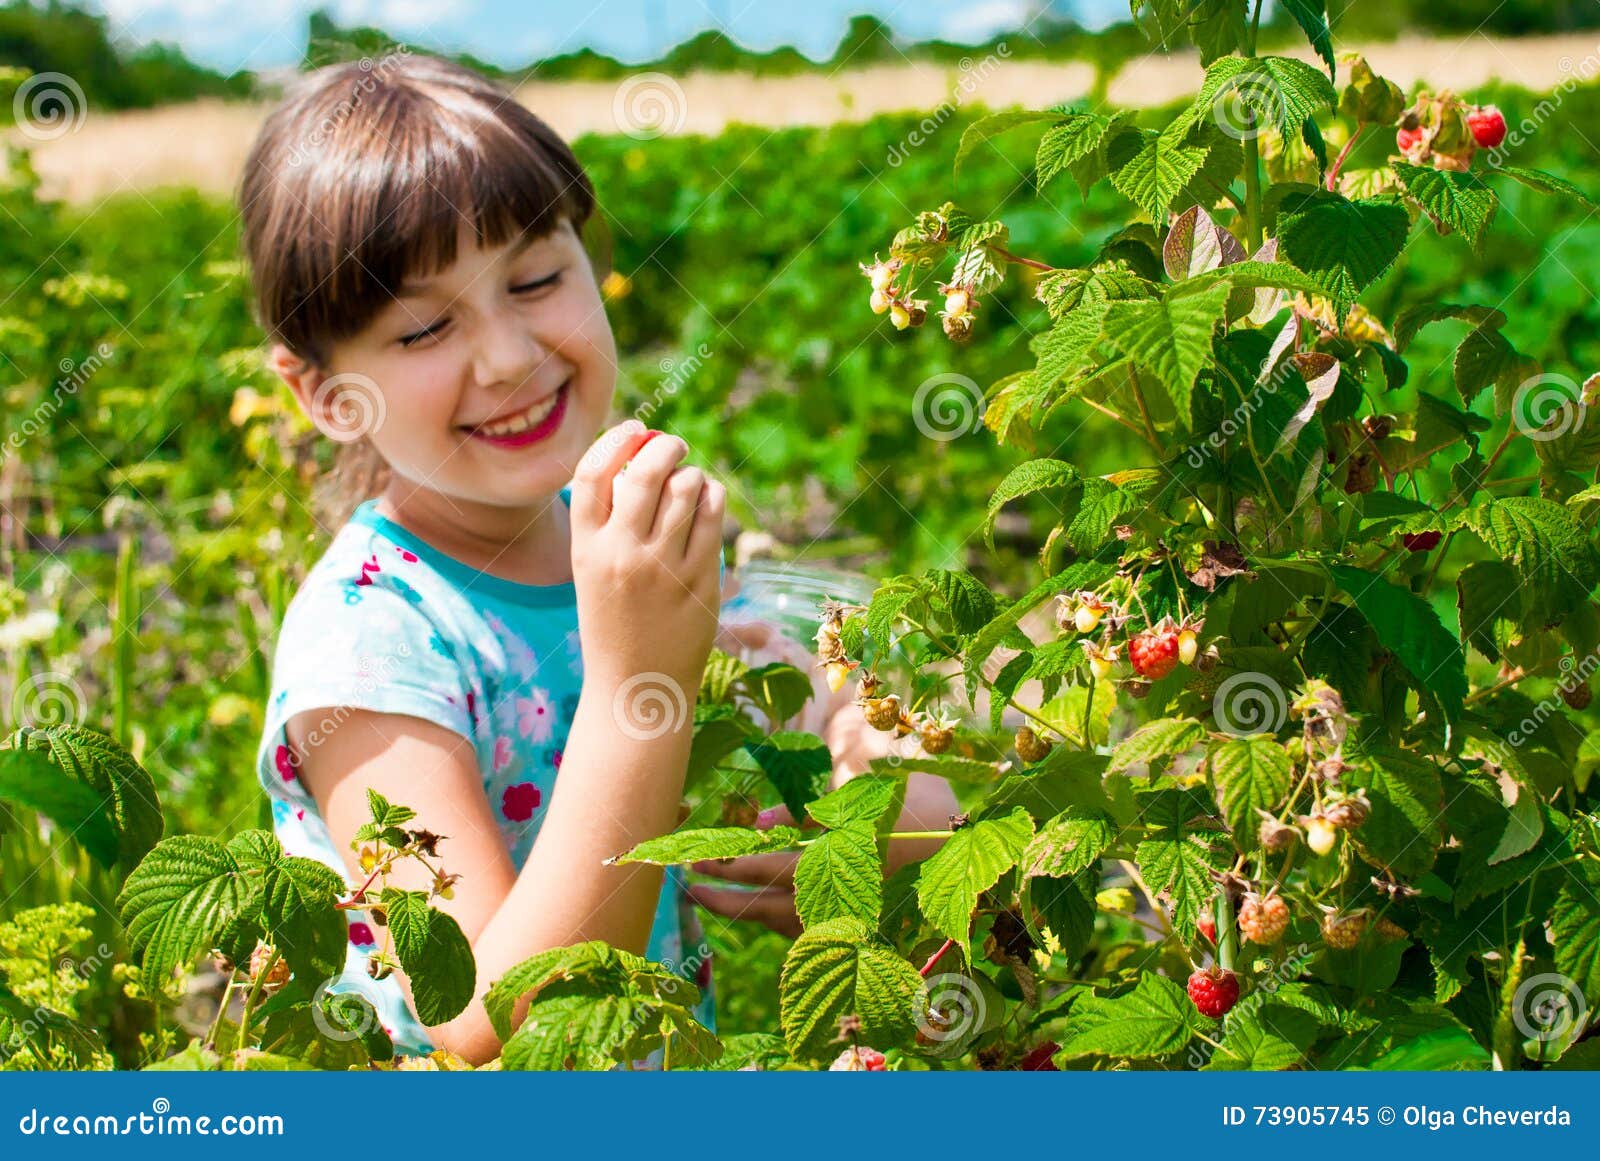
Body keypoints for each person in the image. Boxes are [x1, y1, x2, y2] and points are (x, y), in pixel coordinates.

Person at [245, 53, 956, 1065]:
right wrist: (639, 685)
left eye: (537, 279)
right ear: (319, 392)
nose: (511, 357)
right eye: (427, 327)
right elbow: (488, 1021)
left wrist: (853, 838)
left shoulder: (617, 535)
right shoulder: (372, 644)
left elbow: (891, 767)